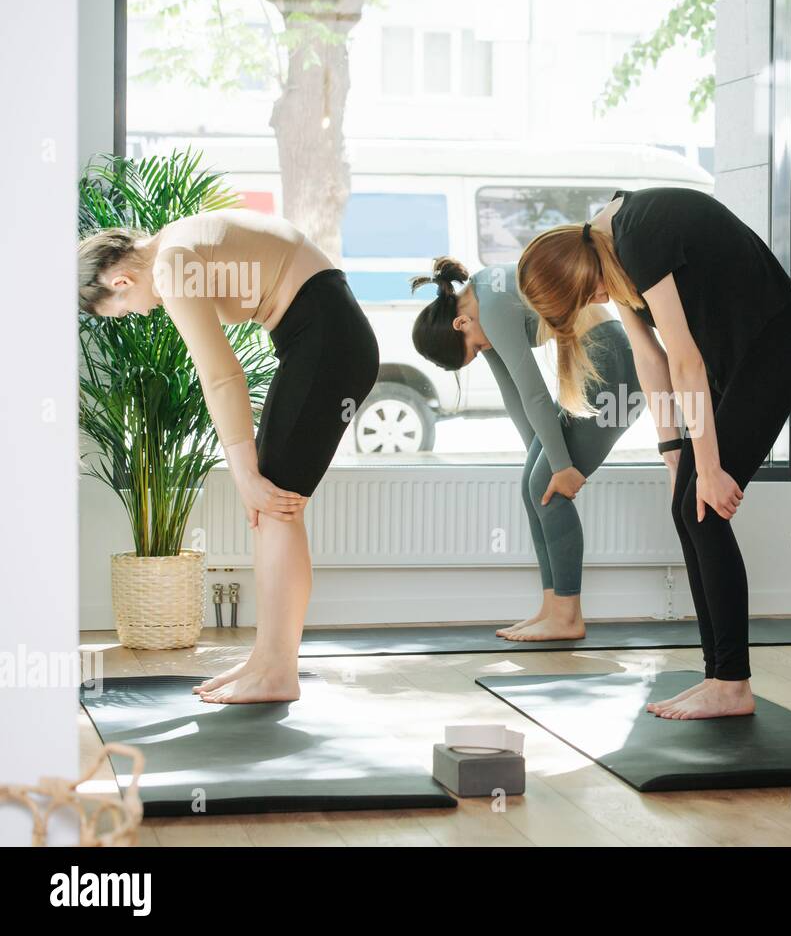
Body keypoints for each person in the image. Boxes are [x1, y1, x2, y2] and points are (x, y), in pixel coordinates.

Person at [517, 187, 791, 720]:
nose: (597, 304)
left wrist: (714, 469)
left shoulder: (639, 237)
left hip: (772, 355)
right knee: (687, 508)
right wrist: (673, 447)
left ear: (584, 276)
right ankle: (718, 677)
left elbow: (685, 363)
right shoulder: (608, 246)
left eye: (588, 299)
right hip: (732, 367)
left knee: (702, 511)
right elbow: (649, 358)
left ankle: (731, 684)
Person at [78, 208, 378, 703]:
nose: (142, 312)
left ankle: (278, 669)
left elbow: (220, 374)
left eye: (126, 306)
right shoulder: (173, 244)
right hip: (324, 335)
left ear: (120, 278)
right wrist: (248, 472)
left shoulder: (172, 263)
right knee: (273, 505)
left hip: (326, 340)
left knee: (272, 503)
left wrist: (244, 474)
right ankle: (268, 658)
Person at [411, 257, 641, 640]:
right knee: (532, 485)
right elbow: (513, 395)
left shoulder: (492, 308)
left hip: (609, 364)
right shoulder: (480, 302)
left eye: (475, 347)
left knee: (545, 487)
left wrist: (560, 466)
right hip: (591, 360)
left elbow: (534, 393)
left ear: (460, 323)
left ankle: (568, 617)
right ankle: (552, 608)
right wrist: (540, 455)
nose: (483, 348)